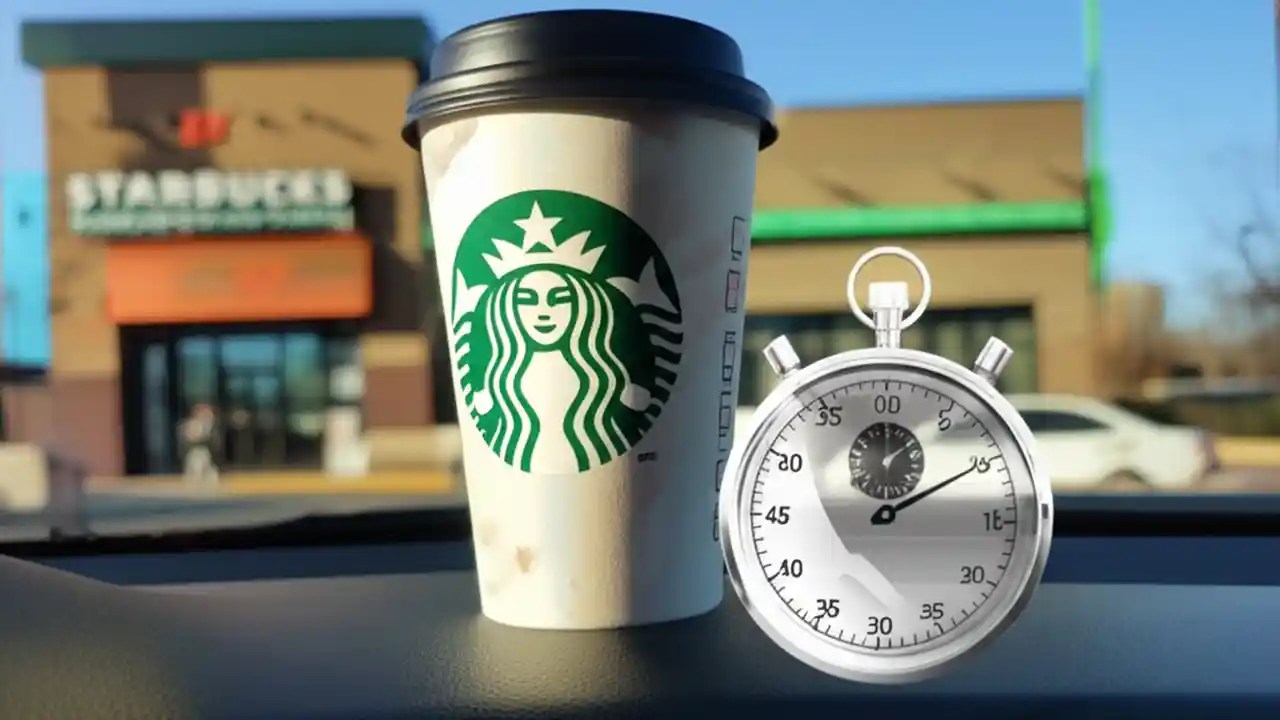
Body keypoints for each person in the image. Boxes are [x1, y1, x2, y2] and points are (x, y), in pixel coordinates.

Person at [180, 403, 221, 486]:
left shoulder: (209, 425)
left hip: (204, 451)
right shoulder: (191, 424)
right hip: (195, 452)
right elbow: (190, 437)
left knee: (210, 473)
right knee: (195, 472)